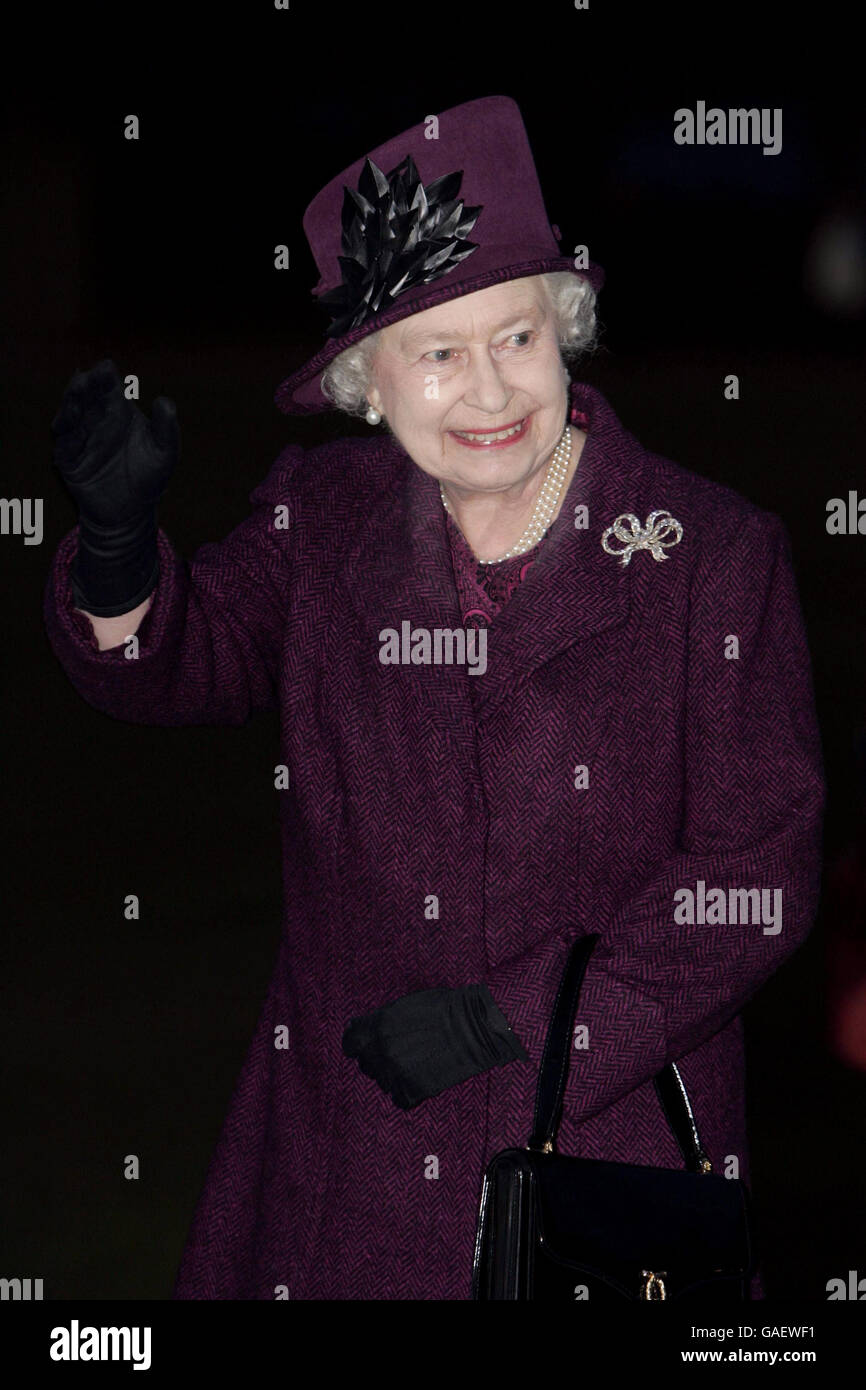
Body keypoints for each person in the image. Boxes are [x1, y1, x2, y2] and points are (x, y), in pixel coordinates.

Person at [43, 95, 825, 1300]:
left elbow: (756, 875)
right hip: (345, 1165)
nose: (488, 391)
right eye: (438, 352)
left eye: (515, 337)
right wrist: (112, 547)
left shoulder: (708, 556)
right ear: (369, 382)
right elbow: (179, 665)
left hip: (594, 1156)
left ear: (563, 328)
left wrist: (510, 1022)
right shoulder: (323, 520)